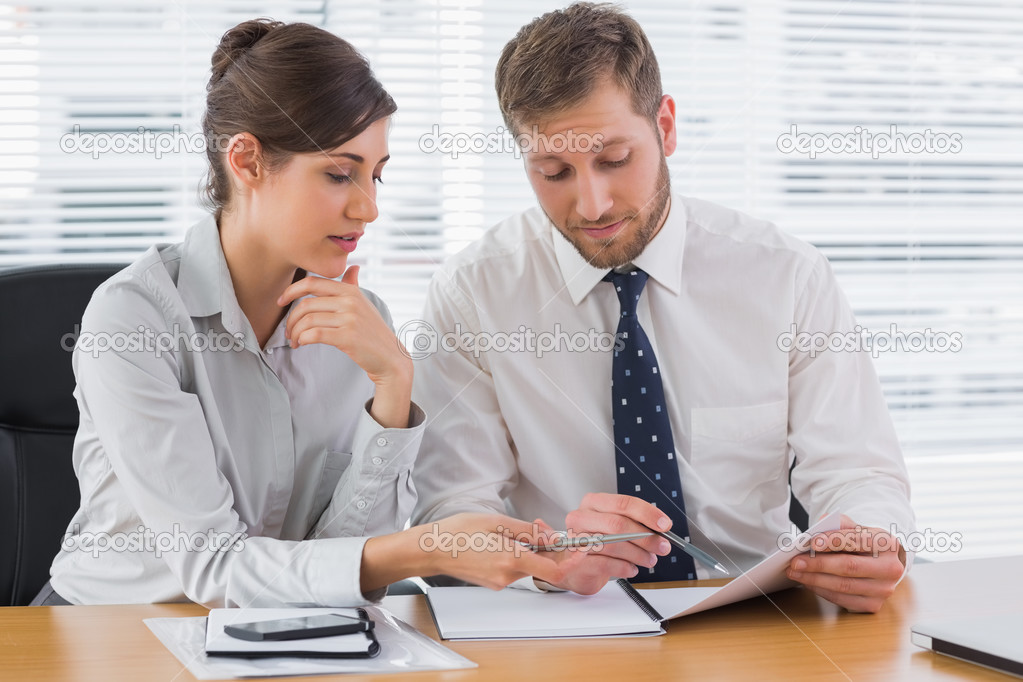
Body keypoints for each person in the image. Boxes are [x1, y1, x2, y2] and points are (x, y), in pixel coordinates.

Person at [37, 18, 573, 608]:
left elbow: (338, 562)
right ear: (246, 162)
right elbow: (213, 567)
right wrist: (428, 548)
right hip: (112, 634)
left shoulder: (362, 324)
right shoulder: (133, 319)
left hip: (280, 634)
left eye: (376, 175)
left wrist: (393, 385)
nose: (368, 207)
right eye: (339, 174)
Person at [410, 2, 915, 612]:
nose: (591, 204)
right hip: (563, 621)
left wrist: (870, 539)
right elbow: (452, 511)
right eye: (553, 171)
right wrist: (547, 559)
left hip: (759, 621)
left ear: (666, 127)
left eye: (614, 160)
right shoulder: (474, 294)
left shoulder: (785, 276)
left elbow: (857, 470)